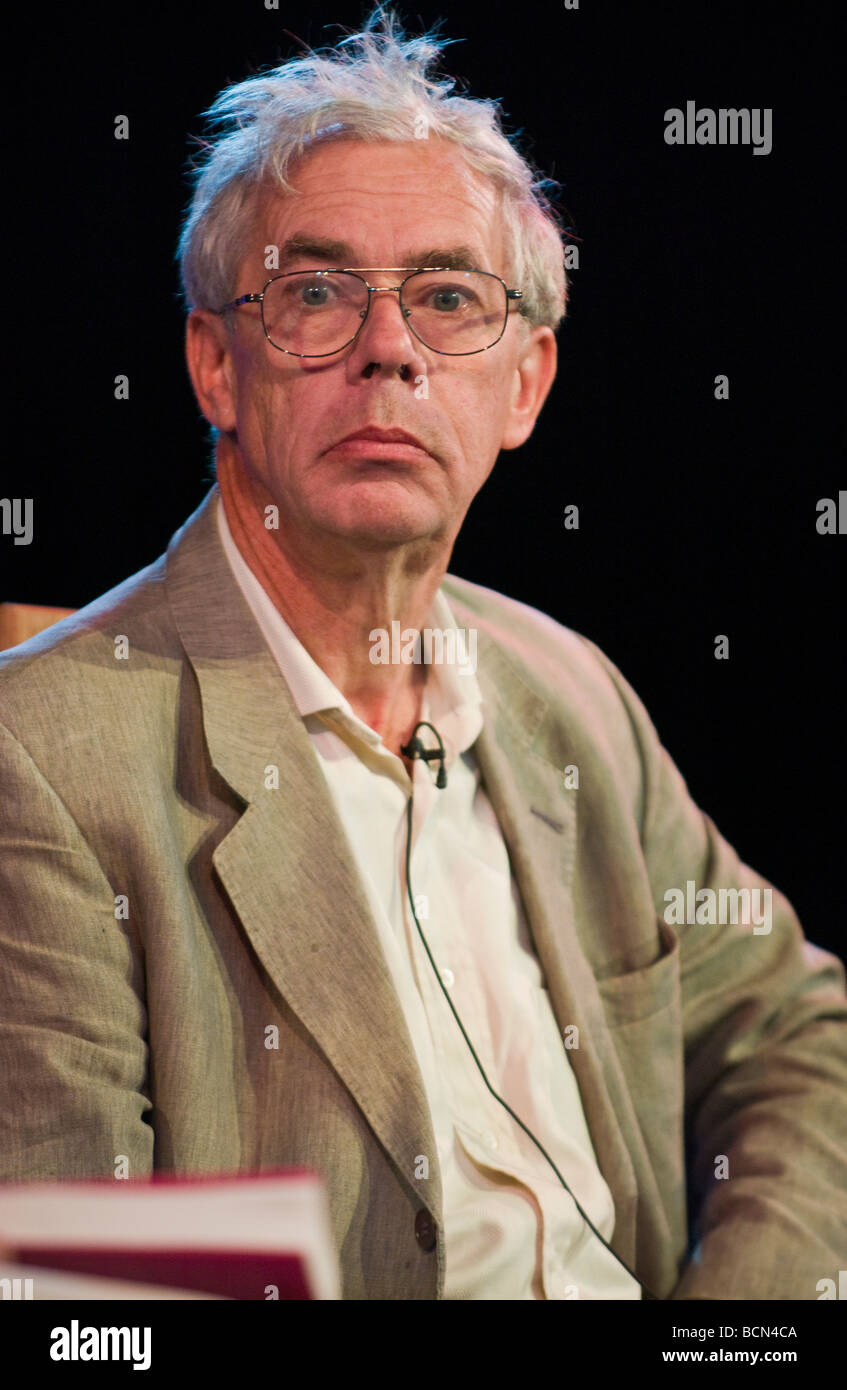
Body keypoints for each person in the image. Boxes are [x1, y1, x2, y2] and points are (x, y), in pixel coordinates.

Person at [1, 5, 845, 1301]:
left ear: (524, 385)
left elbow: (795, 1035)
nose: (387, 347)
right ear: (214, 364)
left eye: (449, 298)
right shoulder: (41, 754)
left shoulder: (572, 695)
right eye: (317, 294)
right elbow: (80, 1297)